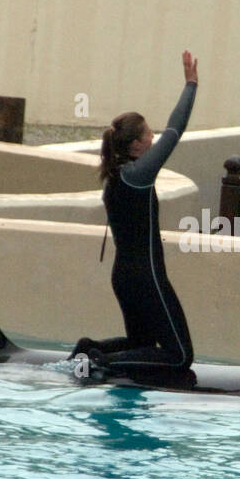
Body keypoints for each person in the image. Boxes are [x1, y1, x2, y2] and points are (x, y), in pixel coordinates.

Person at [70, 51, 199, 382]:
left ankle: (89, 348)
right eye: (148, 134)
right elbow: (176, 129)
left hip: (124, 277)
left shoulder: (114, 176)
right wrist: (191, 84)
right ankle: (101, 362)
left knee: (141, 343)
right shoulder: (139, 174)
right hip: (147, 277)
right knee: (179, 356)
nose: (153, 137)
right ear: (138, 145)